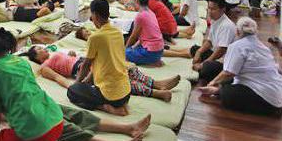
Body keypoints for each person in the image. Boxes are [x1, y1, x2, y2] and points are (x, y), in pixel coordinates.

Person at [0, 80, 149, 141]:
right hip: (32, 116)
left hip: (40, 103)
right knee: (73, 131)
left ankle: (128, 128)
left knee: (80, 116)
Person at [199, 17, 282, 116]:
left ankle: (218, 91)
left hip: (268, 98)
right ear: (255, 32)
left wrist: (212, 83)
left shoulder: (237, 46)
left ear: (237, 31)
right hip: (276, 92)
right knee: (215, 72)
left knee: (228, 94)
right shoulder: (262, 46)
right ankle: (219, 90)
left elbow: (228, 73)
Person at [26, 46, 180, 101]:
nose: (43, 49)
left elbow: (71, 58)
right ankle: (156, 92)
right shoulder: (44, 66)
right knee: (118, 79)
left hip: (86, 62)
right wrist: (76, 86)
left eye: (42, 47)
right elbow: (58, 77)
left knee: (127, 68)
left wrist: (71, 54)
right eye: (39, 50)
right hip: (83, 70)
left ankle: (157, 84)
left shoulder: (55, 54)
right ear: (36, 58)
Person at [67, 0, 132, 116]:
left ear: (95, 15)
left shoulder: (95, 37)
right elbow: (102, 63)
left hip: (110, 95)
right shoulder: (118, 32)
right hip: (126, 92)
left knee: (72, 92)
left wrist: (76, 84)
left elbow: (86, 65)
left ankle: (104, 107)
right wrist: (86, 81)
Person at [164, 0, 236, 82]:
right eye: (209, 8)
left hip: (223, 60)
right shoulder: (215, 20)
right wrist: (199, 52)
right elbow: (210, 41)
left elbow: (221, 50)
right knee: (195, 49)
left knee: (206, 70)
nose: (210, 11)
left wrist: (204, 63)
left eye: (213, 9)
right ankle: (173, 49)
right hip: (215, 53)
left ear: (223, 9)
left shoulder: (226, 26)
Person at [125, 0, 165, 66]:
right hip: (160, 50)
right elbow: (143, 38)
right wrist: (133, 47)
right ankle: (154, 60)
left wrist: (125, 49)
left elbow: (133, 37)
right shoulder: (151, 13)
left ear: (136, 1)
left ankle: (151, 62)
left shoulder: (140, 16)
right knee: (132, 48)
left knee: (124, 53)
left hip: (151, 52)